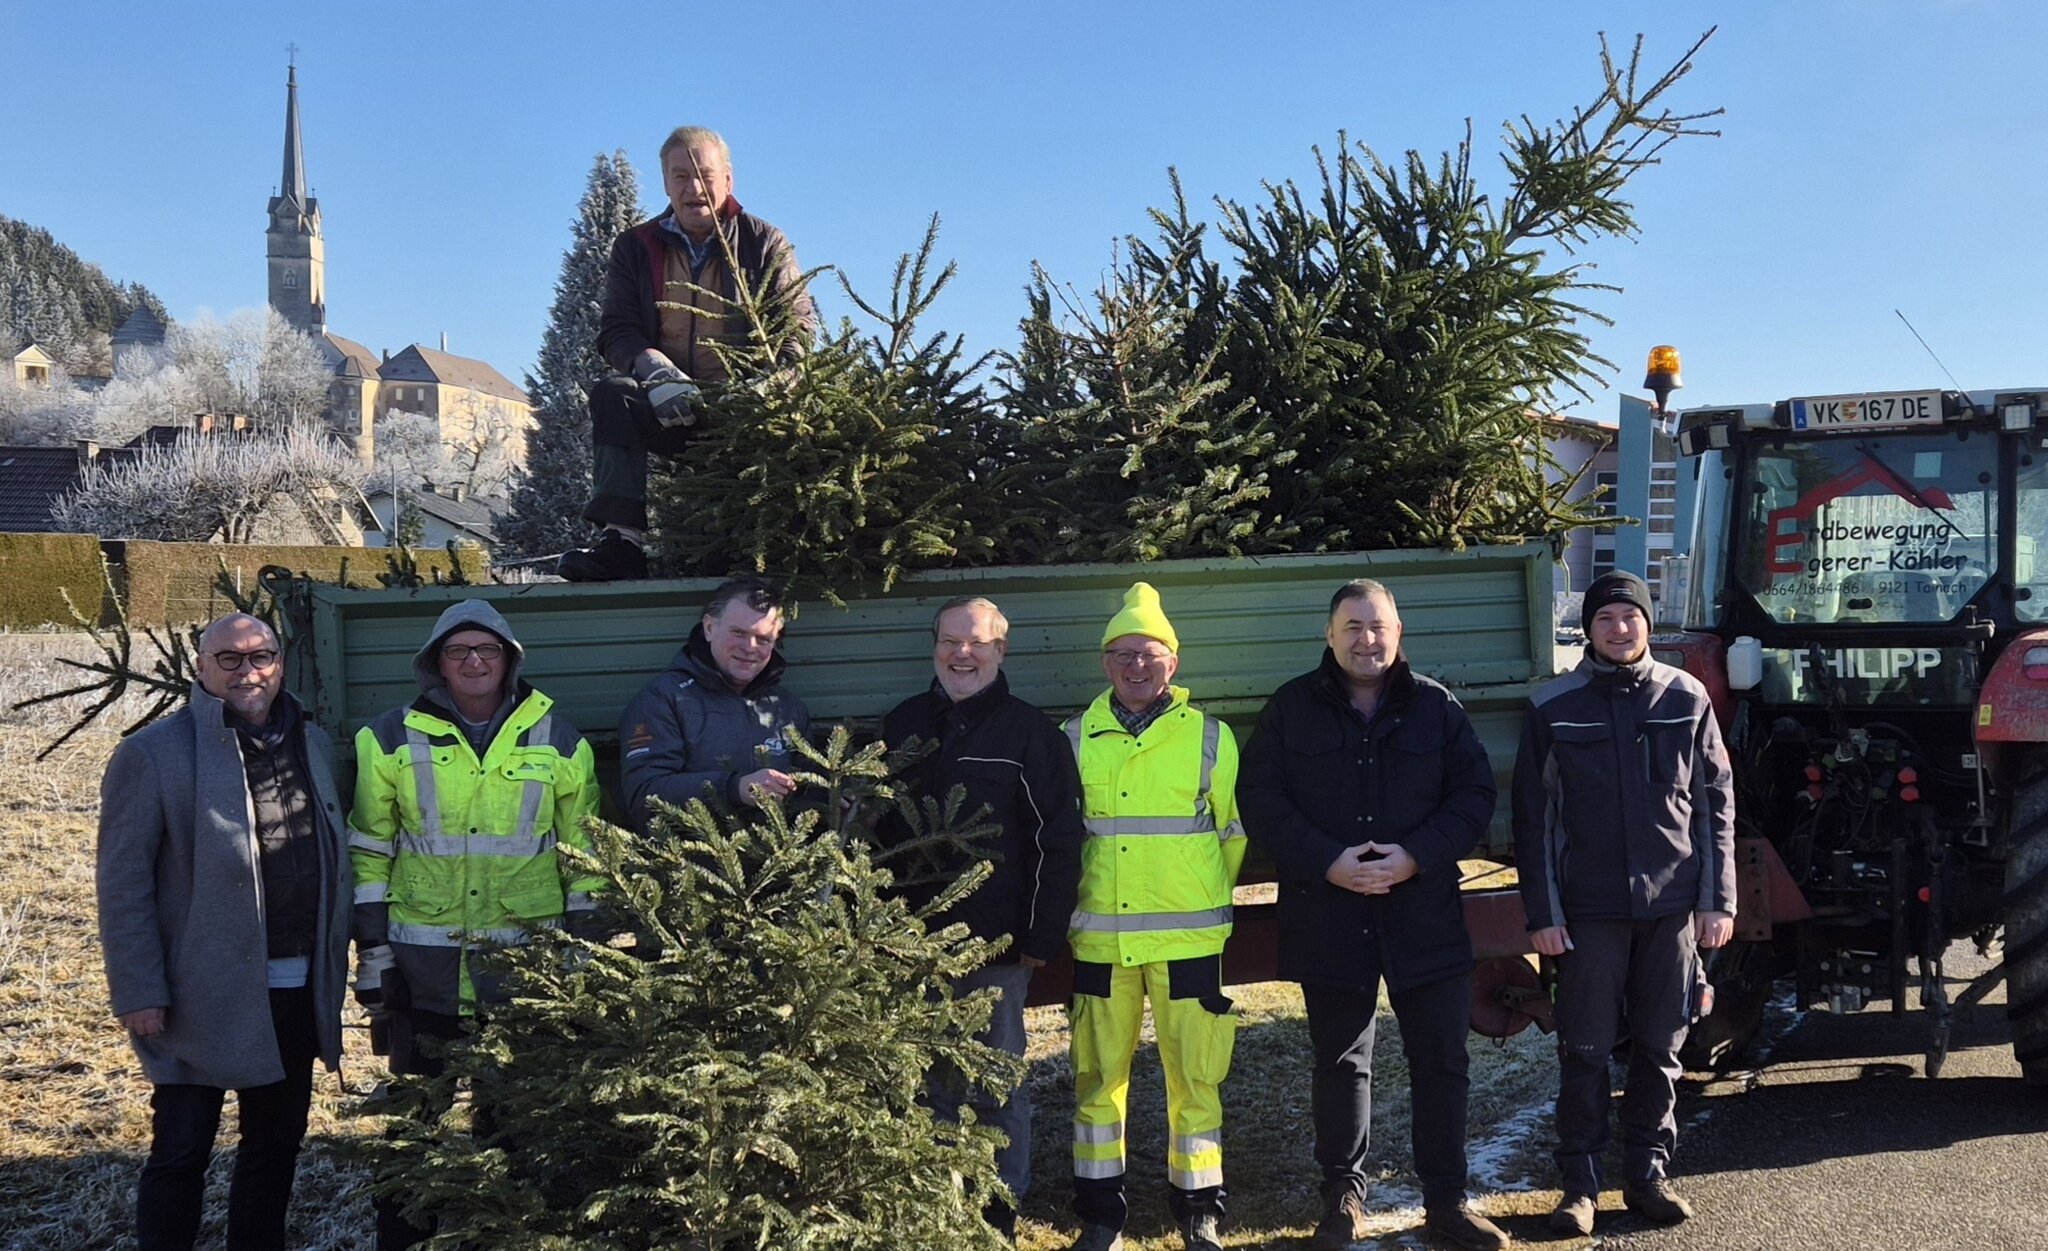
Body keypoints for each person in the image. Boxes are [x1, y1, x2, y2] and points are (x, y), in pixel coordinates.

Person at [1238, 579, 1510, 1251]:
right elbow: (1260, 798)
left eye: (1378, 625)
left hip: (1425, 916)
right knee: (1339, 1063)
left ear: (1399, 632)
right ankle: (1341, 1203)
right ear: (1329, 635)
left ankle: (1447, 1203)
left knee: (1441, 1060)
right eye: (1352, 626)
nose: (1367, 638)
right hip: (1328, 915)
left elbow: (1475, 794)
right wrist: (1326, 860)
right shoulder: (1291, 708)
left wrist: (1416, 855)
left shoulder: (1438, 709)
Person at [347, 599, 605, 1250]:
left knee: (514, 1134)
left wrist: (578, 958)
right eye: (458, 650)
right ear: (436, 662)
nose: (474, 662)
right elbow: (370, 849)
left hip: (521, 977)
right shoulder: (386, 738)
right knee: (415, 1132)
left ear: (509, 660)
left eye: (487, 650)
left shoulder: (560, 741)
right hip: (420, 976)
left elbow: (586, 858)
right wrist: (372, 948)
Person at [96, 612, 352, 1251]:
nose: (247, 672)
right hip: (195, 993)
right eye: (229, 660)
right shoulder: (152, 754)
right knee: (181, 1149)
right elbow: (122, 884)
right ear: (202, 668)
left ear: (280, 663)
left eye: (259, 656)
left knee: (274, 1145)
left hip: (294, 986)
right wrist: (138, 989)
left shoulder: (314, 746)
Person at [1513, 569, 1736, 1236]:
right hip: (1588, 914)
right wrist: (1543, 914)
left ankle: (1646, 1177)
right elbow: (1535, 821)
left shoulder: (1687, 696)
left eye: (1629, 616)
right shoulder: (1553, 705)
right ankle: (1578, 1188)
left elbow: (1714, 805)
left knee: (1661, 1049)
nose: (1618, 628)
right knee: (1583, 1050)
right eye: (1605, 618)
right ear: (1588, 629)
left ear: (1647, 623)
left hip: (1671, 910)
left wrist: (1715, 900)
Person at [876, 595, 1086, 1242]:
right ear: (934, 645)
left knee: (998, 1080)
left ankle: (1001, 1199)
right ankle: (939, 1193)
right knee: (928, 1079)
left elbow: (1060, 839)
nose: (961, 653)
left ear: (1001, 649)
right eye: (949, 640)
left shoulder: (1031, 734)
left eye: (976, 642)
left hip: (995, 945)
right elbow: (877, 833)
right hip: (910, 942)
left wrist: (1040, 935)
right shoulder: (904, 723)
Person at [1062, 582, 1245, 1251]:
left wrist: (1206, 906)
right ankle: (1100, 1213)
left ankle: (1199, 1209)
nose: (1135, 666)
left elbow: (1231, 833)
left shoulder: (1211, 737)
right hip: (1100, 943)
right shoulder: (1075, 737)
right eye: (1121, 654)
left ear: (1173, 661)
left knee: (1195, 1077)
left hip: (1189, 938)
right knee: (1096, 1078)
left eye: (1148, 652)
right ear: (1105, 664)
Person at [559, 125, 817, 581]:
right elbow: (616, 330)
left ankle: (768, 541)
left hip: (746, 408)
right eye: (680, 176)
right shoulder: (635, 247)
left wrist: (774, 381)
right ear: (665, 182)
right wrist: (651, 366)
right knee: (612, 394)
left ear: (729, 179)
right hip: (666, 402)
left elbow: (798, 325)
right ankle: (622, 542)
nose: (693, 188)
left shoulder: (765, 242)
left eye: (705, 174)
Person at [620, 575, 811, 831]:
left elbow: (811, 791)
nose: (749, 647)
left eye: (763, 639)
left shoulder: (789, 709)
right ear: (709, 628)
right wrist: (733, 789)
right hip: (687, 867)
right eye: (738, 633)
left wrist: (842, 803)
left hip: (781, 864)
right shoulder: (662, 699)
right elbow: (644, 797)